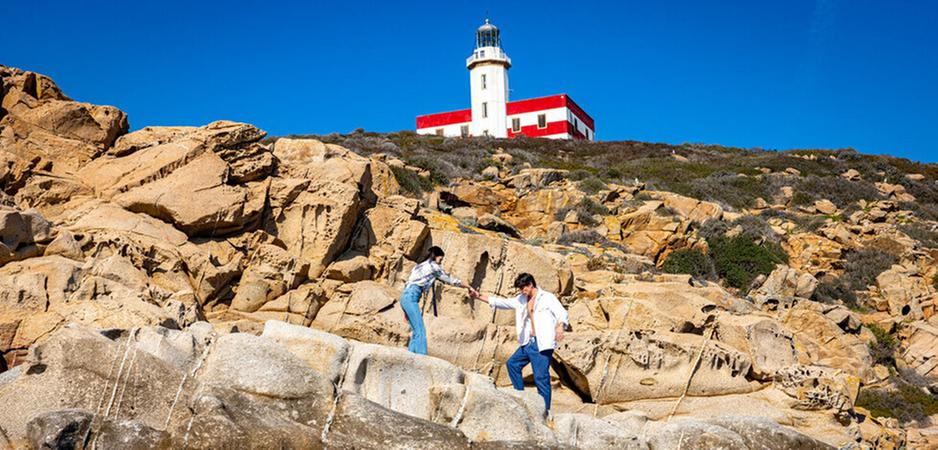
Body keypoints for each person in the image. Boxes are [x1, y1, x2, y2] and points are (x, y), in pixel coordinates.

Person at [469, 272, 568, 417]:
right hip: (528, 342)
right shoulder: (521, 299)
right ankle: (522, 397)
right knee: (512, 364)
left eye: (523, 288)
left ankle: (545, 413)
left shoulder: (547, 298)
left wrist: (560, 326)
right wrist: (478, 296)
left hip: (542, 344)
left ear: (530, 284)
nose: (522, 291)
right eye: (520, 289)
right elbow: (501, 303)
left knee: (541, 378)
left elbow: (561, 313)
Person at [400, 246, 477, 355]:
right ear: (435, 256)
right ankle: (421, 358)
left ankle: (410, 356)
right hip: (411, 297)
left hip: (405, 297)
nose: (440, 263)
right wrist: (469, 287)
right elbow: (452, 280)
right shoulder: (434, 267)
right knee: (421, 331)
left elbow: (408, 284)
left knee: (415, 331)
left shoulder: (419, 266)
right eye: (440, 259)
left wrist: (405, 311)